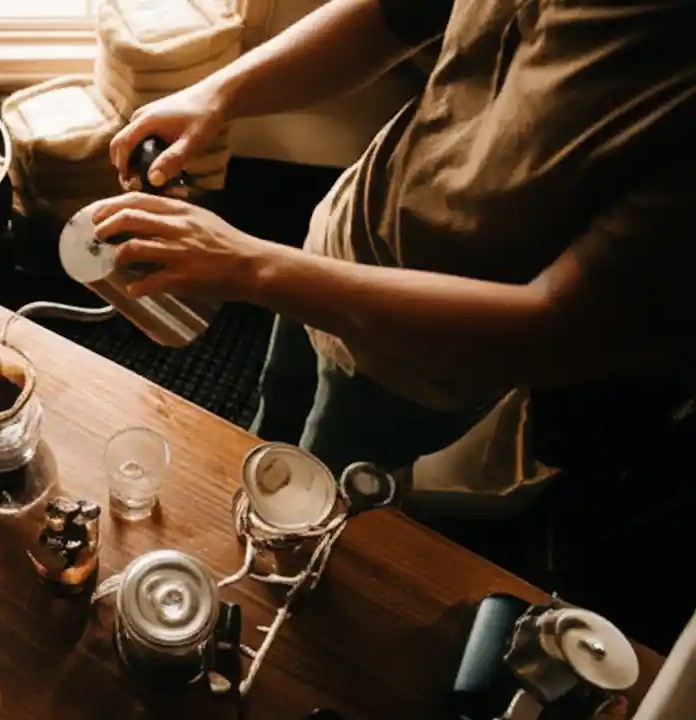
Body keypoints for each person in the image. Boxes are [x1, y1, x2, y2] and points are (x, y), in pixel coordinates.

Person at [88, 0, 696, 475]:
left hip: (415, 356)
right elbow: (393, 13)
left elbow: (554, 329)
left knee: (325, 485)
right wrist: (220, 93)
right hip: (338, 233)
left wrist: (250, 268)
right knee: (279, 405)